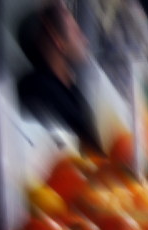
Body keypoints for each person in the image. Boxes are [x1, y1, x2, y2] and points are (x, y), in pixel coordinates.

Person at [17, 1, 102, 153]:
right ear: (58, 40)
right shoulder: (37, 92)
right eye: (77, 32)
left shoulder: (70, 91)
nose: (85, 40)